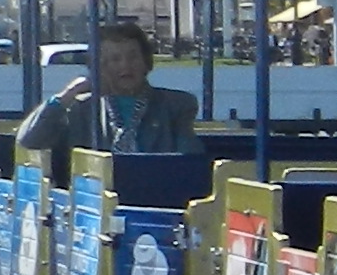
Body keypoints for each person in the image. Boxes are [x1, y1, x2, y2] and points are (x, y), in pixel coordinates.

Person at [11, 20, 198, 173]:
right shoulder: (80, 109)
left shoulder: (176, 105)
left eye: (133, 57)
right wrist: (68, 94)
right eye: (115, 60)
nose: (126, 66)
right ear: (98, 67)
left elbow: (189, 163)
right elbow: (28, 141)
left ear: (146, 62)